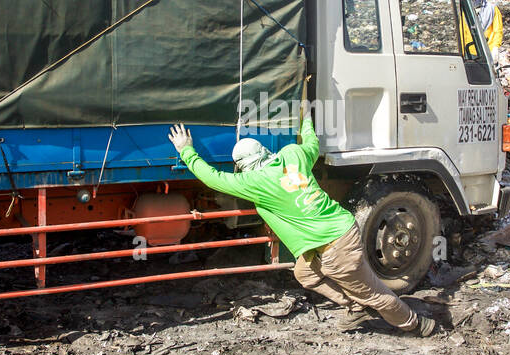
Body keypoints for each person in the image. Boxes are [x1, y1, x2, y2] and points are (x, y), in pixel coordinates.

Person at [168, 114, 435, 336]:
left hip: (334, 247)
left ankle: (416, 324)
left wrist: (186, 151)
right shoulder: (293, 156)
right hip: (339, 230)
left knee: (373, 294)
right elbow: (311, 144)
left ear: (243, 166)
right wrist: (306, 120)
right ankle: (354, 307)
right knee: (305, 274)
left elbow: (213, 178)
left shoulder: (255, 183)